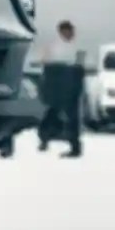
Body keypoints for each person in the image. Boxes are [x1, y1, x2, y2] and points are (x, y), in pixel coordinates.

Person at [36, 20, 85, 158]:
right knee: (52, 114)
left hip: (71, 82)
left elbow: (80, 66)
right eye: (65, 31)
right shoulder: (53, 46)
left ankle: (74, 147)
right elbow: (45, 63)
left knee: (72, 117)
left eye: (69, 31)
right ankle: (44, 139)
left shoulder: (78, 47)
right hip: (56, 83)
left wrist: (76, 86)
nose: (68, 34)